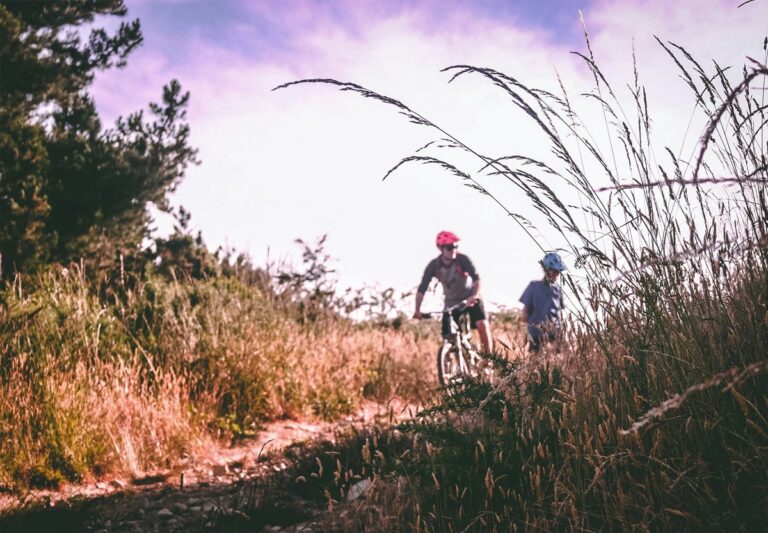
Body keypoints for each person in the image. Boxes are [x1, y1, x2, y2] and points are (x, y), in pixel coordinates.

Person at [413, 231, 493, 353]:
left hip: (469, 298)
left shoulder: (462, 260)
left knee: (482, 324)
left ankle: (489, 360)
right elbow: (422, 289)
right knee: (448, 336)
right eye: (450, 247)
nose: (453, 250)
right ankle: (450, 366)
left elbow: (476, 279)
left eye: (455, 246)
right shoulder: (434, 265)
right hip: (451, 303)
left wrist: (475, 295)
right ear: (441, 249)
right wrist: (417, 310)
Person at [519, 252, 566, 352]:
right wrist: (525, 330)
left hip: (554, 330)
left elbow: (560, 311)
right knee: (536, 358)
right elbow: (525, 311)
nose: (555, 274)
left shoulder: (558, 289)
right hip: (536, 331)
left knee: (563, 355)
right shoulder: (534, 286)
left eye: (558, 272)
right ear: (546, 270)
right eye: (553, 271)